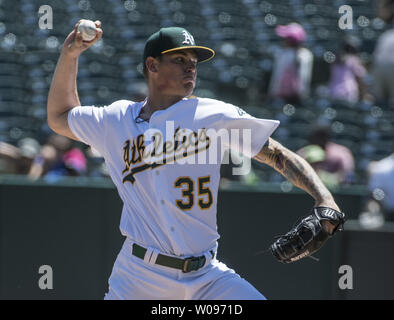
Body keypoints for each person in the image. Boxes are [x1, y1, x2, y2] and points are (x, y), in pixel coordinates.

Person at [47, 22, 342, 300]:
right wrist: (70, 54)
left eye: (194, 61)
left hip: (206, 277)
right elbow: (60, 117)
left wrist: (325, 200)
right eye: (179, 59)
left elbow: (277, 155)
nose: (191, 66)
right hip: (139, 278)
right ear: (152, 65)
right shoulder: (115, 120)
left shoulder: (211, 114)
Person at [268, 22, 313, 104]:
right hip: (298, 96)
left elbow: (277, 76)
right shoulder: (306, 54)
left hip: (287, 96)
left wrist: (272, 93)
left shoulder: (284, 54)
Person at [328, 36, 368, 104]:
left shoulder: (335, 61)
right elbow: (361, 77)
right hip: (348, 92)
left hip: (333, 92)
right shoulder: (353, 60)